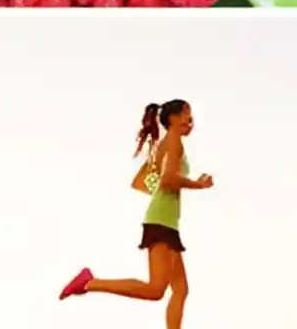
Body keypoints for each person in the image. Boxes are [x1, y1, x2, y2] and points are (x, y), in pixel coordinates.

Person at [58, 99, 214, 329]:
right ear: (172, 118)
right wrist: (197, 185)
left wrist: (185, 183)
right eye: (185, 113)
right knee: (156, 290)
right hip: (161, 220)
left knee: (180, 289)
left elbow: (158, 179)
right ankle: (89, 283)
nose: (189, 119)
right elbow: (169, 179)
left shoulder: (170, 142)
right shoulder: (172, 141)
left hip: (167, 221)